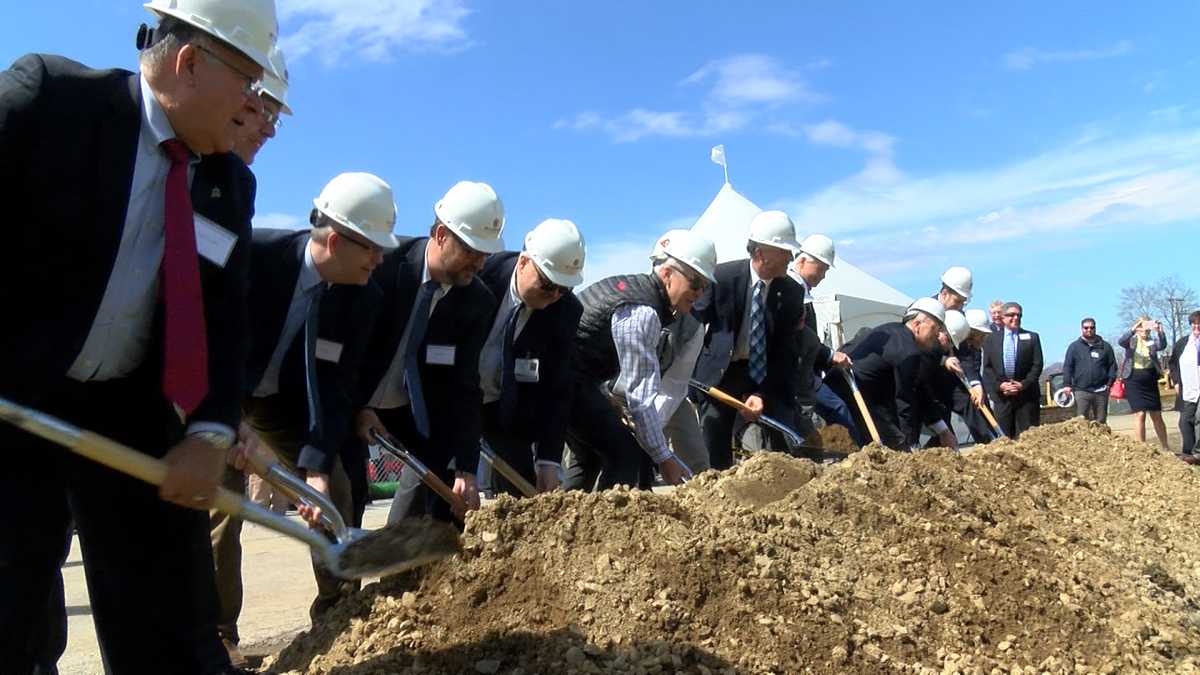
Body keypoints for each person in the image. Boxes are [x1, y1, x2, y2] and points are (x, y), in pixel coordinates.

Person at [0, 0, 279, 672]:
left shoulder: (227, 186)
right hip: (14, 399)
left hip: (131, 412)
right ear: (189, 63)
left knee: (170, 621)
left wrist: (209, 431)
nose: (254, 105)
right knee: (13, 613)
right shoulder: (49, 103)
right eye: (247, 82)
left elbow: (224, 322)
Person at [208, 46, 292, 667]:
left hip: (210, 394)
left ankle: (218, 638)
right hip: (117, 384)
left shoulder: (236, 186)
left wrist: (222, 408)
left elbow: (222, 308)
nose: (269, 128)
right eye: (264, 110)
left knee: (220, 515)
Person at [356, 181, 501, 524]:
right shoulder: (383, 267)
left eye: (486, 254)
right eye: (472, 250)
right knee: (346, 490)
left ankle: (411, 550)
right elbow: (347, 347)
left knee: (446, 483)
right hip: (352, 396)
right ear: (440, 234)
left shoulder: (477, 301)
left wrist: (466, 468)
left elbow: (465, 386)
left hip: (411, 408)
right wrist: (359, 406)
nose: (480, 263)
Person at [563, 230, 716, 490]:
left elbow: (586, 350)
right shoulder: (642, 312)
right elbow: (639, 397)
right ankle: (611, 515)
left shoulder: (634, 293)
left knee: (590, 456)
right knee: (626, 454)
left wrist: (603, 396)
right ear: (667, 274)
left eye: (705, 286)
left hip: (569, 379)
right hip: (567, 381)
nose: (700, 292)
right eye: (695, 283)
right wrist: (664, 457)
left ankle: (568, 513)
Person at [476, 219, 586, 496]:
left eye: (564, 288)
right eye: (548, 284)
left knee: (523, 497)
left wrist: (548, 459)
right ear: (524, 262)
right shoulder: (481, 274)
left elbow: (557, 388)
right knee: (426, 491)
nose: (555, 295)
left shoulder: (566, 311)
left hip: (505, 408)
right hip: (452, 395)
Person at [692, 211, 806, 470]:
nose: (791, 257)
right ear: (762, 253)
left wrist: (761, 393)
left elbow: (785, 350)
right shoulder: (722, 278)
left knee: (782, 444)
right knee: (714, 441)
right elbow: (693, 324)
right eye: (785, 251)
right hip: (721, 373)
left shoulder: (791, 292)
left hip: (767, 375)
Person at [824, 298, 947, 450]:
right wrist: (908, 445)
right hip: (854, 394)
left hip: (833, 390)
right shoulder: (909, 352)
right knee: (888, 446)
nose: (938, 335)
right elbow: (905, 401)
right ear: (917, 325)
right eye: (935, 329)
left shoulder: (891, 330)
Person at [787, 234, 858, 450]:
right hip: (797, 374)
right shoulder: (792, 290)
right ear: (802, 261)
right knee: (837, 410)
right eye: (821, 269)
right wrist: (829, 355)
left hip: (807, 372)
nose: (823, 276)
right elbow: (798, 338)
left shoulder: (803, 292)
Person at [981, 302, 1044, 439]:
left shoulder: (1032, 337)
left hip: (1027, 398)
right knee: (1004, 439)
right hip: (1002, 399)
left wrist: (1023, 384)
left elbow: (1037, 365)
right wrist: (1000, 386)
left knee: (1029, 438)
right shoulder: (990, 339)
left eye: (1019, 315)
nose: (1016, 318)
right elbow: (987, 369)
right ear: (1003, 317)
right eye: (1011, 315)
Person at [1118, 317, 1169, 450]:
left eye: (1147, 327)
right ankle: (1142, 448)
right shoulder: (1131, 340)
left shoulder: (1152, 341)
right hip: (1133, 380)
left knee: (1156, 414)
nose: (1144, 330)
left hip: (1150, 379)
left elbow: (1162, 345)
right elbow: (1121, 341)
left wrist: (1160, 331)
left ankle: (1165, 447)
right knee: (1140, 414)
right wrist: (1134, 329)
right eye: (1142, 327)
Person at [1061, 317, 1117, 423]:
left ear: (1095, 328)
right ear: (1081, 329)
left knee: (1101, 422)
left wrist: (1109, 384)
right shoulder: (1074, 347)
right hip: (1081, 390)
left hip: (1101, 390)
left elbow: (1112, 366)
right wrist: (1067, 384)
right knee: (1081, 422)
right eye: (1086, 328)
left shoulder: (1105, 347)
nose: (1089, 330)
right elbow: (1068, 366)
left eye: (1092, 327)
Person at [1169, 311, 1200, 456]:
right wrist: (1176, 382)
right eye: (1194, 323)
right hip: (1188, 389)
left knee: (1199, 418)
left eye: (1199, 324)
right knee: (1185, 421)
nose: (1197, 326)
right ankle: (1188, 452)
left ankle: (1198, 453)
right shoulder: (1182, 343)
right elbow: (1173, 364)